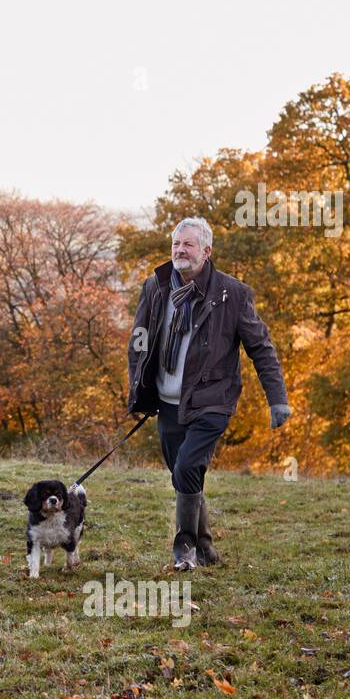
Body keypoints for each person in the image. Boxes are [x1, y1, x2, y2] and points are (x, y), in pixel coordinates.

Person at [126, 217, 291, 570]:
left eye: (188, 245)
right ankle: (205, 547)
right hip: (168, 402)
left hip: (213, 400)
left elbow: (261, 347)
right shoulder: (156, 288)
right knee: (184, 475)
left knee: (186, 466)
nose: (180, 251)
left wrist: (277, 399)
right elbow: (138, 342)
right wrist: (137, 390)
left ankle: (183, 548)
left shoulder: (231, 294)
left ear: (206, 251)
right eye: (176, 244)